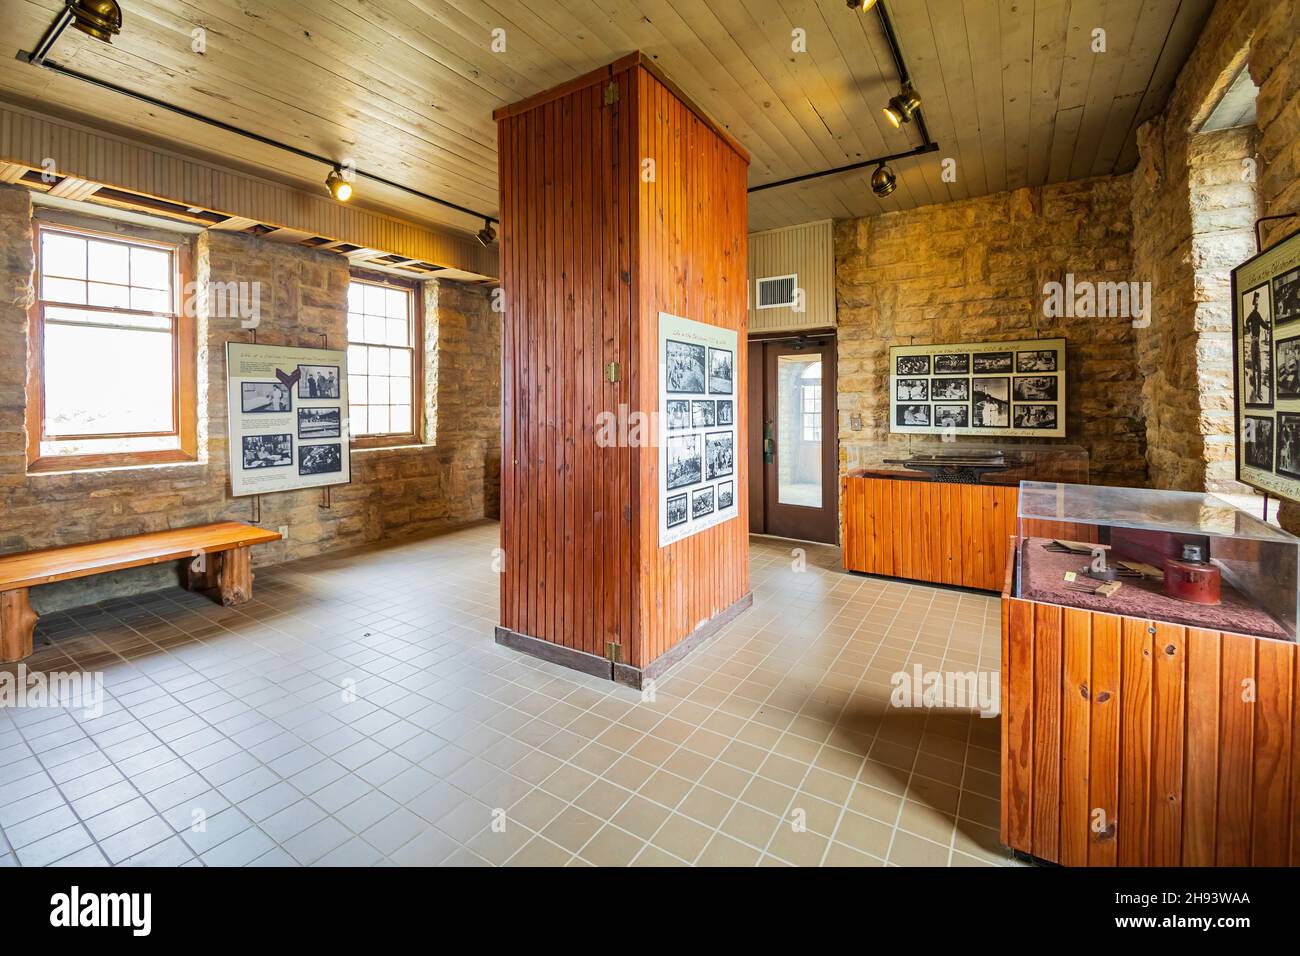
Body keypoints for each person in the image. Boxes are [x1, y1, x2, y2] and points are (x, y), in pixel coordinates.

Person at [1244, 291, 1269, 403]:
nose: (1257, 303)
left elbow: (1264, 325)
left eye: (1258, 301)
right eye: (1256, 301)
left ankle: (1257, 391)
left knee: (1257, 368)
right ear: (1254, 303)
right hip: (1255, 343)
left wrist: (1269, 326)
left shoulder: (1257, 315)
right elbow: (1247, 322)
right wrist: (1250, 332)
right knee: (1256, 367)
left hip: (1256, 343)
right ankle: (1256, 391)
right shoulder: (1253, 314)